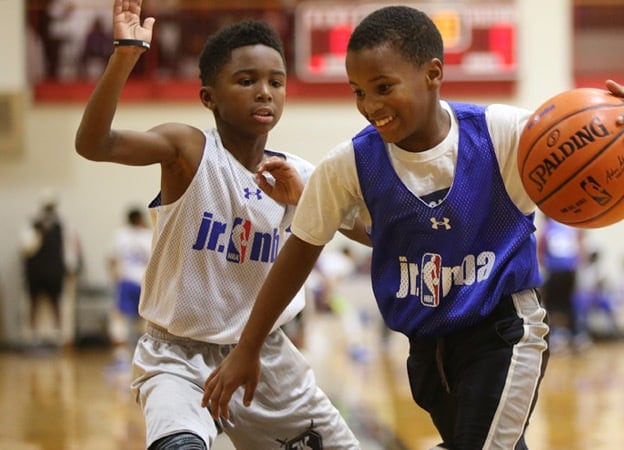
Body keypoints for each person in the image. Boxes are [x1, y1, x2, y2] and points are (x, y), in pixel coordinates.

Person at [201, 5, 624, 449]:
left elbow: (593, 134)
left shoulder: (503, 134)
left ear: (432, 75)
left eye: (383, 87)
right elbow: (298, 254)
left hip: (504, 330)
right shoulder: (348, 165)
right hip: (427, 347)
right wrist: (248, 347)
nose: (369, 104)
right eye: (358, 91)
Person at [74, 1, 366, 448]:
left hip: (263, 355)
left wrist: (308, 202)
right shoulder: (187, 150)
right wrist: (125, 57)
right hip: (178, 355)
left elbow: (374, 236)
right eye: (246, 81)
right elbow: (95, 143)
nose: (264, 92)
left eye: (276, 82)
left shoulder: (299, 176)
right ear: (209, 97)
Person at [19, 191, 81, 345]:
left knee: (56, 304)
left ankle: (60, 337)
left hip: (54, 270)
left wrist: (71, 266)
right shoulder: (32, 226)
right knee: (33, 304)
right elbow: (26, 248)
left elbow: (68, 248)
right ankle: (32, 338)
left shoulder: (61, 225)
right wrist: (39, 233)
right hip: (35, 271)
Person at [107, 207, 152, 349]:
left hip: (126, 279)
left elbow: (111, 258)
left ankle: (119, 344)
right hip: (143, 281)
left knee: (121, 314)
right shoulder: (148, 234)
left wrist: (114, 275)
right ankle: (146, 344)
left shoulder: (120, 234)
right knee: (146, 315)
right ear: (140, 219)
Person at [537, 217, 585, 353]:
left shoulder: (548, 227)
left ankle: (559, 335)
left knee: (553, 305)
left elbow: (540, 249)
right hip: (570, 271)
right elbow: (580, 248)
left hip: (555, 270)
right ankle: (577, 336)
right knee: (569, 303)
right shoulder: (570, 225)